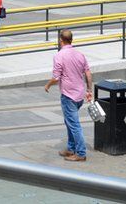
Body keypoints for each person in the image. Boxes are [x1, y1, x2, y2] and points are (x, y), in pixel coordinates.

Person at [44, 30, 93, 162]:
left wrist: (48, 85)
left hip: (68, 95)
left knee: (74, 124)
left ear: (61, 40)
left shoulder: (59, 56)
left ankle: (81, 153)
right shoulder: (80, 54)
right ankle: (71, 148)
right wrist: (89, 89)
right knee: (69, 122)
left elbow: (56, 77)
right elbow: (87, 73)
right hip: (79, 95)